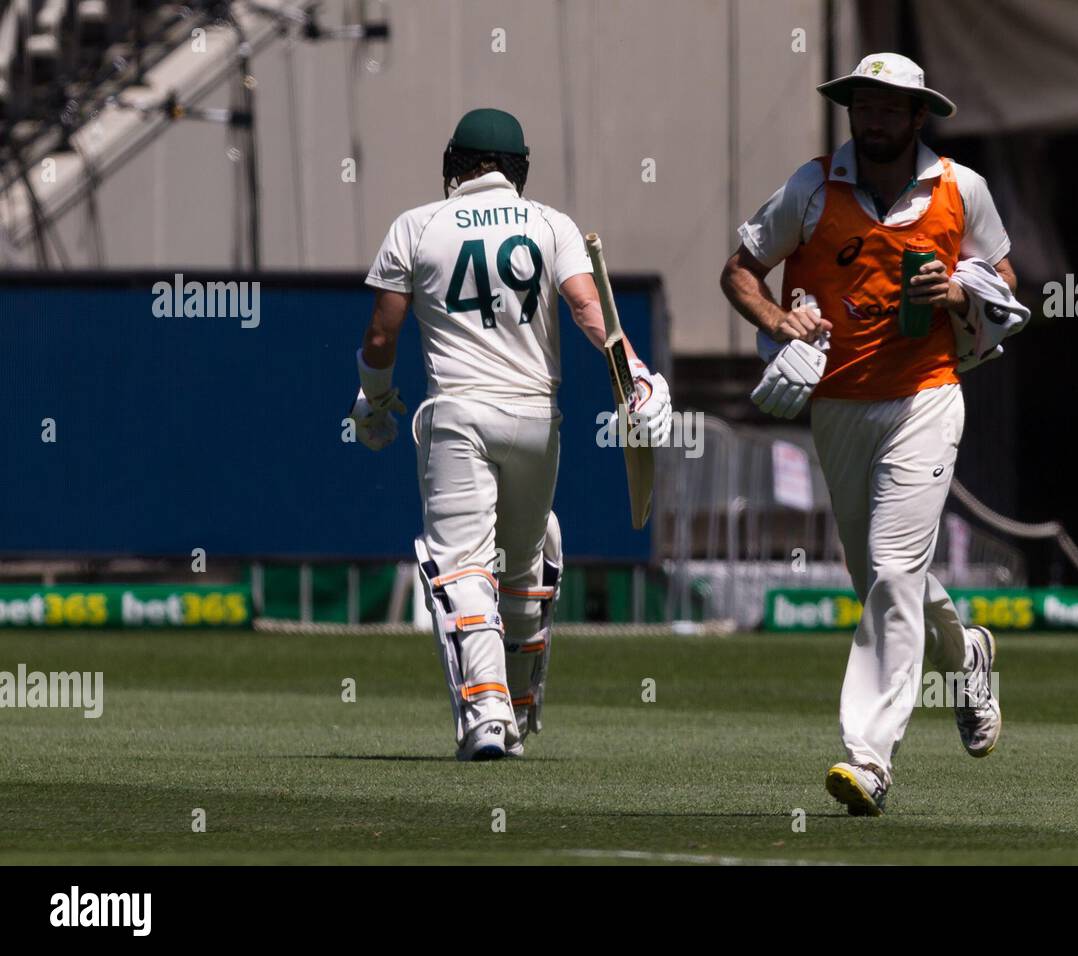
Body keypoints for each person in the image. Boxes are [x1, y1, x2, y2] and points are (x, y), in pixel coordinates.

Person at [720, 54, 1017, 815]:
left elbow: (1006, 282)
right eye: (864, 105)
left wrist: (956, 289)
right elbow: (741, 271)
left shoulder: (961, 189)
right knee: (882, 578)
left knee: (890, 568)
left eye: (890, 107)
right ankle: (966, 652)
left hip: (926, 396)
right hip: (839, 404)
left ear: (919, 115)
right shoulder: (812, 186)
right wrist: (778, 320)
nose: (874, 118)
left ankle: (870, 757)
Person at [350, 108, 672, 760]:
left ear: (453, 164)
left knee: (464, 564)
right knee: (522, 564)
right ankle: (520, 708)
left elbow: (382, 335)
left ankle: (489, 709)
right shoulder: (550, 224)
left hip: (459, 414)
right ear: (517, 166)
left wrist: (375, 402)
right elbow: (590, 308)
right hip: (534, 418)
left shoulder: (417, 225)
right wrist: (635, 375)